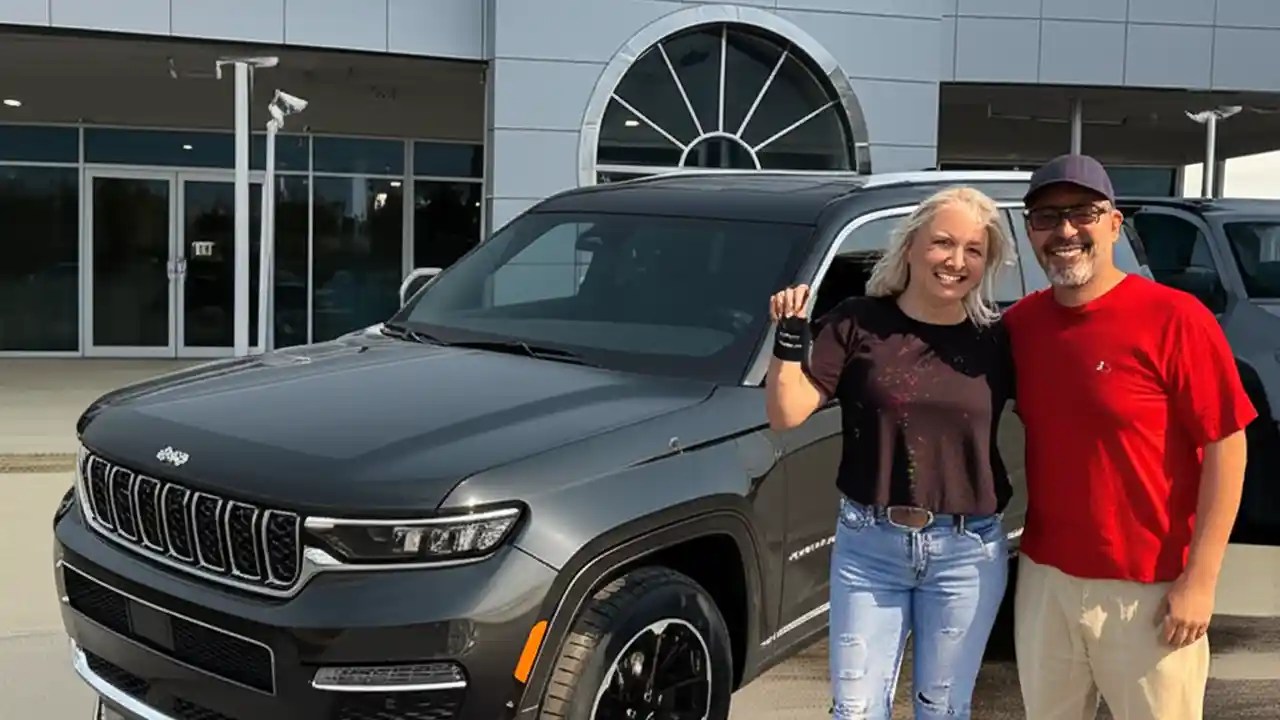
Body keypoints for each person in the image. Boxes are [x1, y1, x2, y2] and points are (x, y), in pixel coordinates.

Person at [1003, 154, 1256, 720]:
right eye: (1047, 217)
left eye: (1083, 213)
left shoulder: (1176, 318)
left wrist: (1201, 581)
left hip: (1152, 589)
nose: (1065, 230)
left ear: (1114, 224)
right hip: (1046, 581)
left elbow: (1227, 445)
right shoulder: (1020, 326)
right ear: (1029, 232)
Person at [765, 185, 1017, 720]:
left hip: (967, 552)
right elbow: (786, 413)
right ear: (910, 246)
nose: (956, 261)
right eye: (943, 243)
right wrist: (789, 336)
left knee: (943, 710)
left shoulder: (998, 338)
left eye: (974, 250)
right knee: (855, 710)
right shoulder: (858, 320)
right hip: (869, 547)